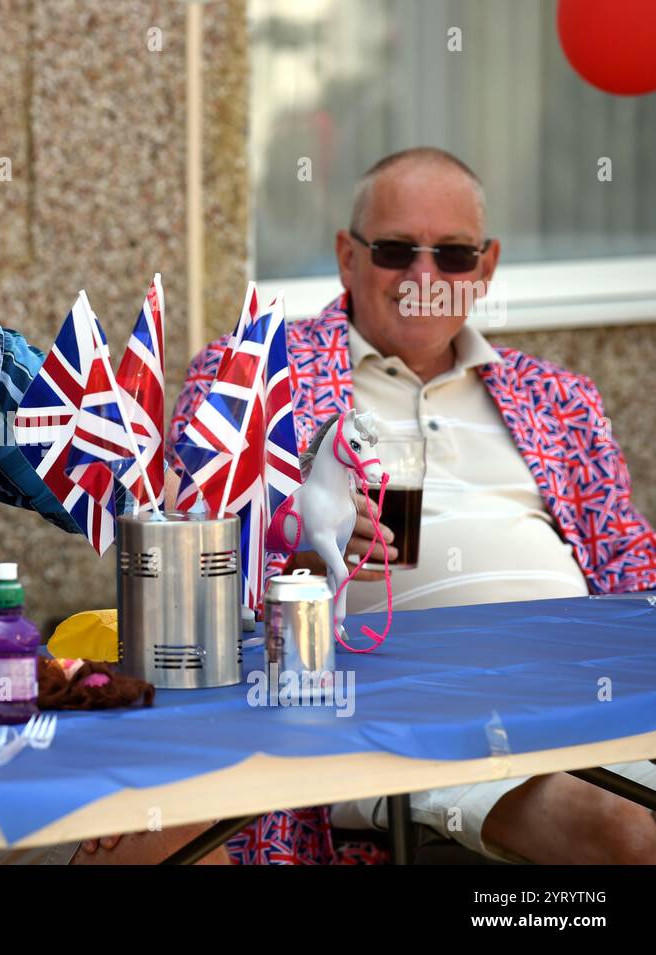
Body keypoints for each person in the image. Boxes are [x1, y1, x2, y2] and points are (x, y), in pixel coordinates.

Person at [168, 146, 656, 864]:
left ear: (486, 267)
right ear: (347, 256)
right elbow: (195, 544)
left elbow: (629, 563)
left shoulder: (559, 398)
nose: (424, 279)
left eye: (453, 256)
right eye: (396, 251)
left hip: (587, 699)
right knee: (628, 828)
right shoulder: (257, 375)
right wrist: (294, 539)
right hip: (408, 724)